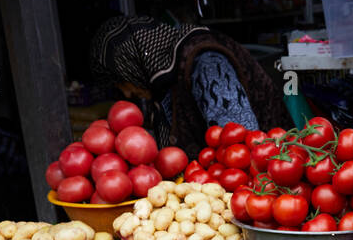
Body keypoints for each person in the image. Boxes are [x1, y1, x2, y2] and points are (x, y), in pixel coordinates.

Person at [89, 16, 286, 156]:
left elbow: (240, 147)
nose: (127, 92)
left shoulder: (206, 63)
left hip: (269, 178)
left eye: (123, 81)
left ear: (133, 64)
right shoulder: (163, 79)